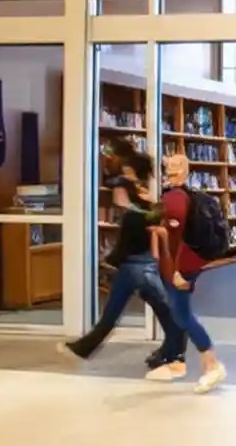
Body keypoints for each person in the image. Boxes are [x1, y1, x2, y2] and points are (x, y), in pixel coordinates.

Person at [59, 141, 183, 377]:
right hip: (133, 267)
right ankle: (83, 348)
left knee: (160, 311)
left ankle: (175, 349)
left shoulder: (141, 207)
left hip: (139, 267)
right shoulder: (141, 203)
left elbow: (126, 203)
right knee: (152, 311)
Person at [144, 154, 227, 394]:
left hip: (180, 267)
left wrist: (179, 272)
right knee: (176, 312)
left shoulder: (175, 199)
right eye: (170, 163)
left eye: (178, 165)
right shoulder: (175, 197)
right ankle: (175, 361)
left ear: (186, 171)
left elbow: (176, 240)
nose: (172, 167)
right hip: (180, 266)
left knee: (182, 315)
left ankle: (211, 364)